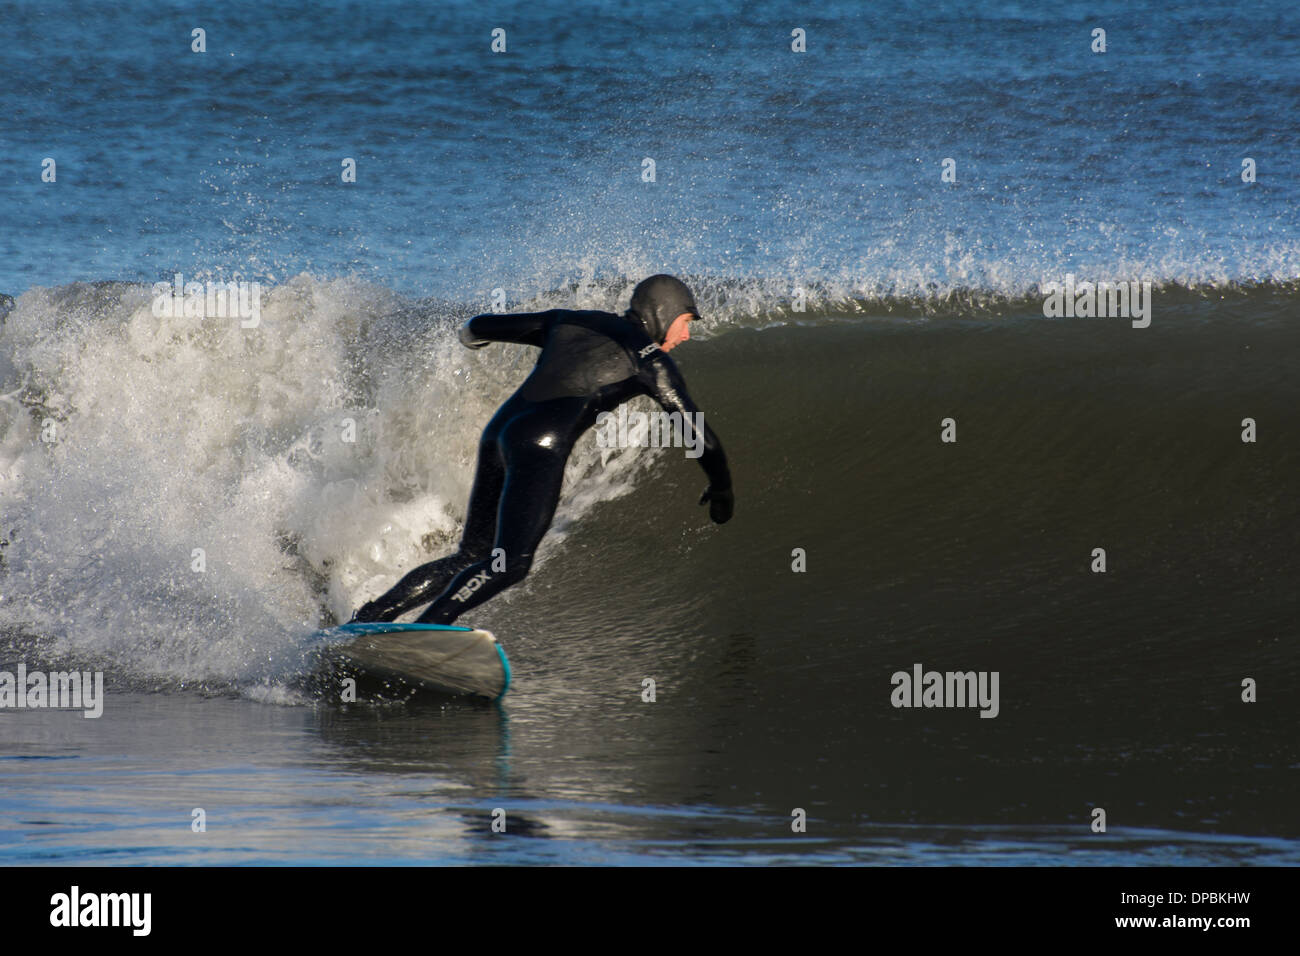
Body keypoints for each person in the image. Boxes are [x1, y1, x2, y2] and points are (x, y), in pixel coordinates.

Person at [353, 274, 734, 625]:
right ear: (663, 312)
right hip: (538, 446)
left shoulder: (571, 320)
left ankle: (368, 618)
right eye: (686, 321)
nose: (685, 335)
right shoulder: (651, 362)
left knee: (471, 557)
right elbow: (700, 436)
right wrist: (722, 489)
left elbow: (479, 326)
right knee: (511, 563)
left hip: (498, 436)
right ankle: (428, 630)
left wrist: (470, 339)